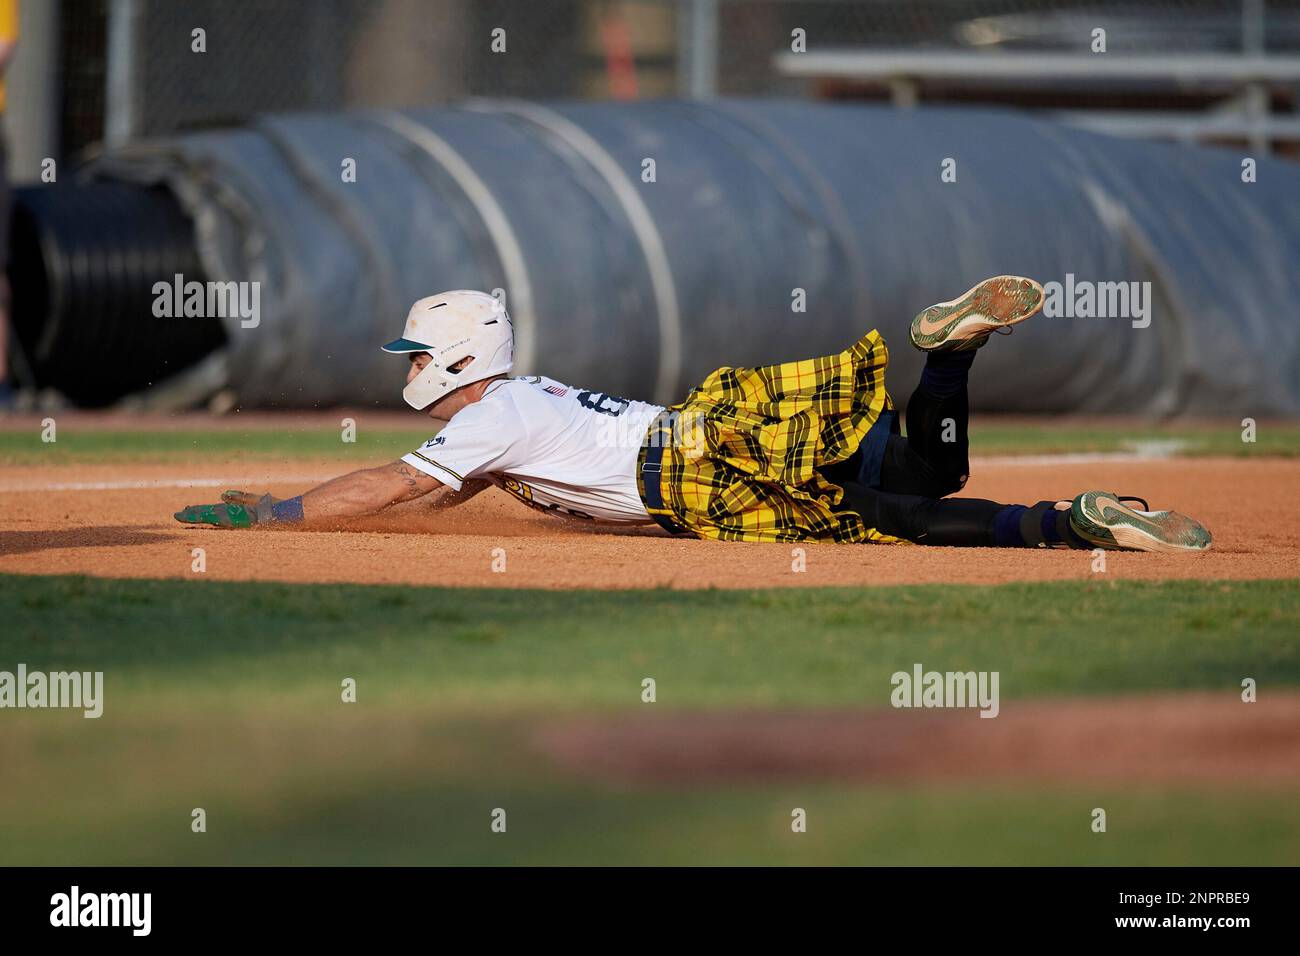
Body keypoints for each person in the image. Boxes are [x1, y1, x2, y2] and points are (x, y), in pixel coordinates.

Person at [175, 279, 1211, 553]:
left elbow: (401, 481)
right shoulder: (518, 408)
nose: (409, 369)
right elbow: (440, 493)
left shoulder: (485, 418)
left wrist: (279, 516)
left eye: (415, 354)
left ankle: (968, 379)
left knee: (888, 508)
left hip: (696, 470)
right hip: (712, 432)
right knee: (914, 485)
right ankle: (1057, 506)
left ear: (453, 358)